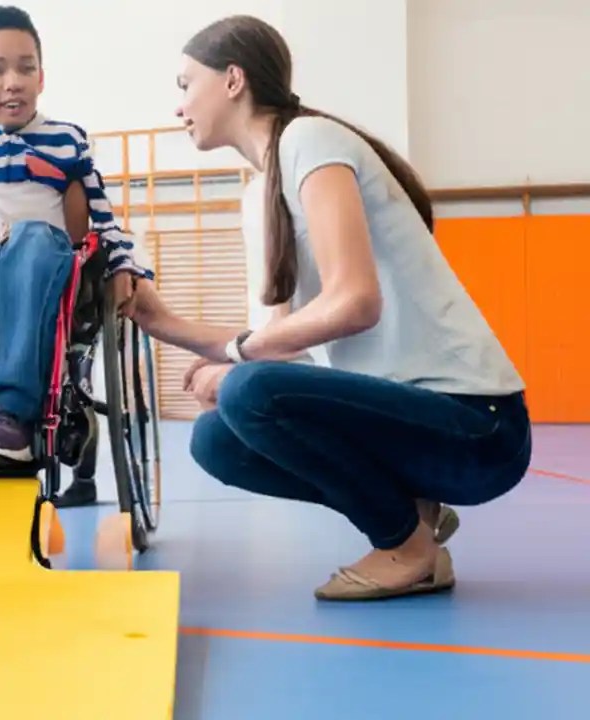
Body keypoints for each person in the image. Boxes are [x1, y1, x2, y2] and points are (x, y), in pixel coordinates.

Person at [125, 15, 531, 601]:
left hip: (477, 428)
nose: (179, 107)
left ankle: (406, 546)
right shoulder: (257, 194)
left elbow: (355, 301)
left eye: (186, 85)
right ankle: (413, 515)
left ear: (233, 80)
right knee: (216, 439)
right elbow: (275, 339)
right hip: (410, 428)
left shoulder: (309, 142)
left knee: (248, 390)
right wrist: (160, 321)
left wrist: (239, 364)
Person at [0, 6, 149, 465]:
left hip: (40, 271)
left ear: (41, 78)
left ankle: (9, 409)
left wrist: (122, 265)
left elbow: (101, 216)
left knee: (33, 237)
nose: (12, 81)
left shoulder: (67, 139)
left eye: (25, 68)